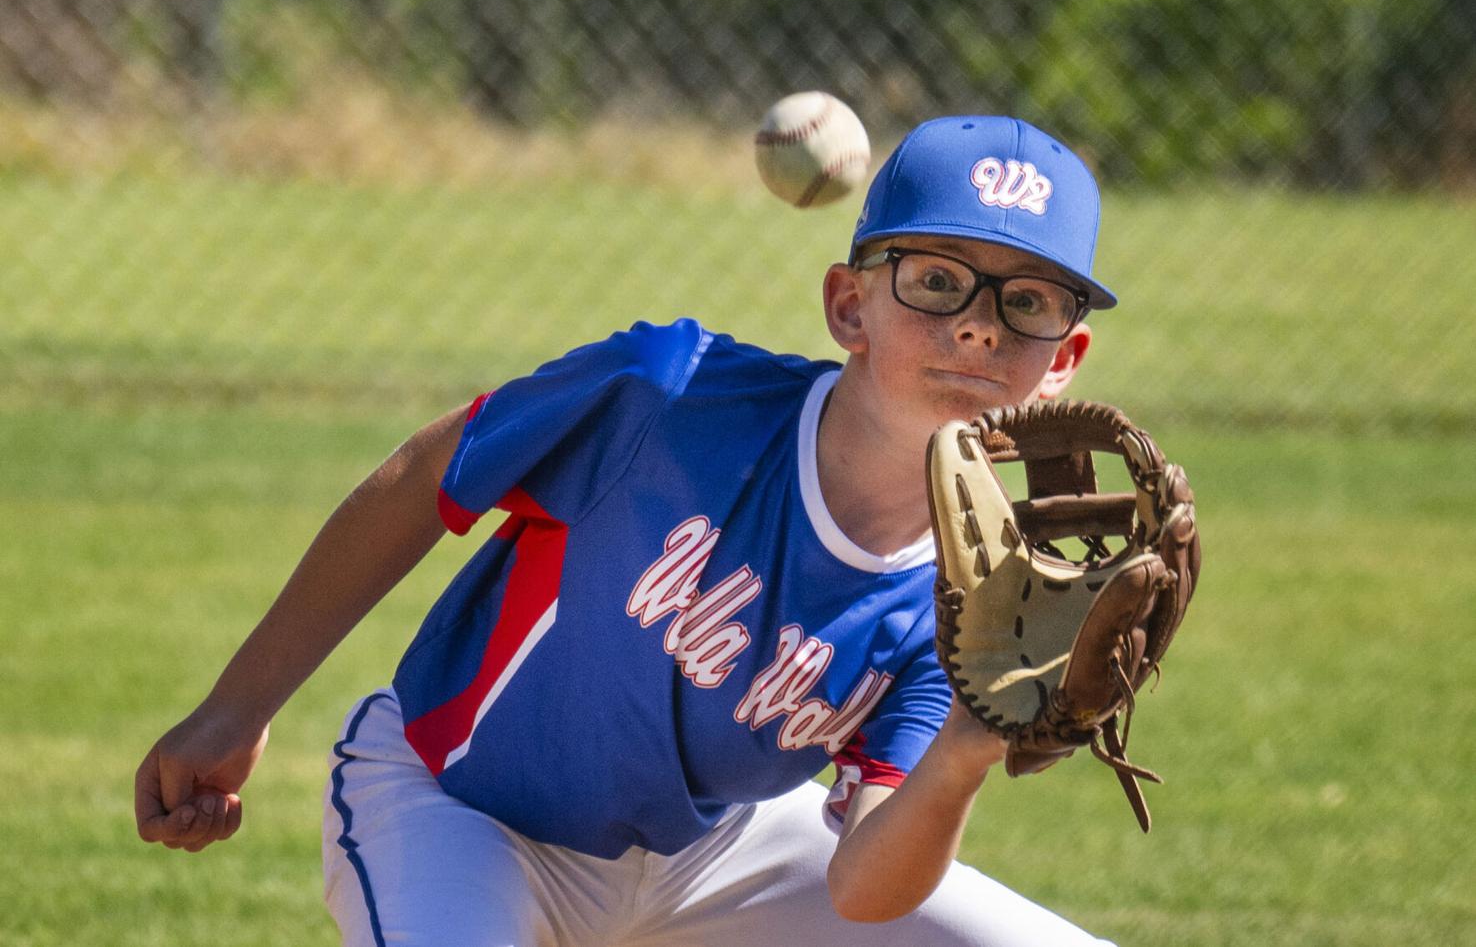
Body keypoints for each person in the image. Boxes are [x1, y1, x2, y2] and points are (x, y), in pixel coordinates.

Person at [134, 115, 1121, 946]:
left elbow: (864, 889)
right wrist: (237, 708)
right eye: (940, 280)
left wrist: (961, 754)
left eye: (1026, 301)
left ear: (1066, 357)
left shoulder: (983, 598)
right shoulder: (669, 398)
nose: (981, 326)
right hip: (466, 811)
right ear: (849, 306)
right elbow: (425, 480)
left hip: (723, 846)